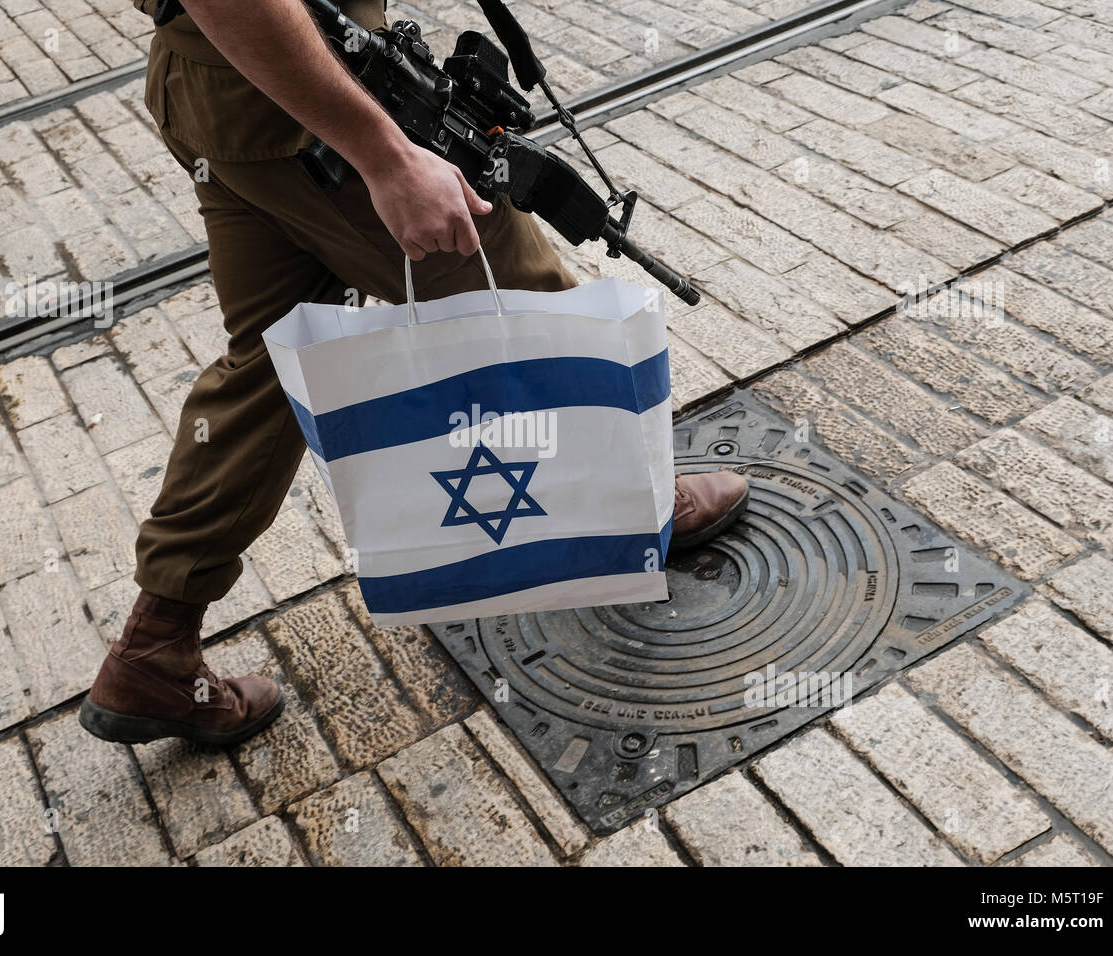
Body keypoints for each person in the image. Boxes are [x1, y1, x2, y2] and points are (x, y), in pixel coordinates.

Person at [79, 0, 750, 746]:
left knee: (269, 362)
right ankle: (642, 506)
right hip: (309, 94)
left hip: (221, 90)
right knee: (523, 294)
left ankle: (154, 646)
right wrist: (386, 158)